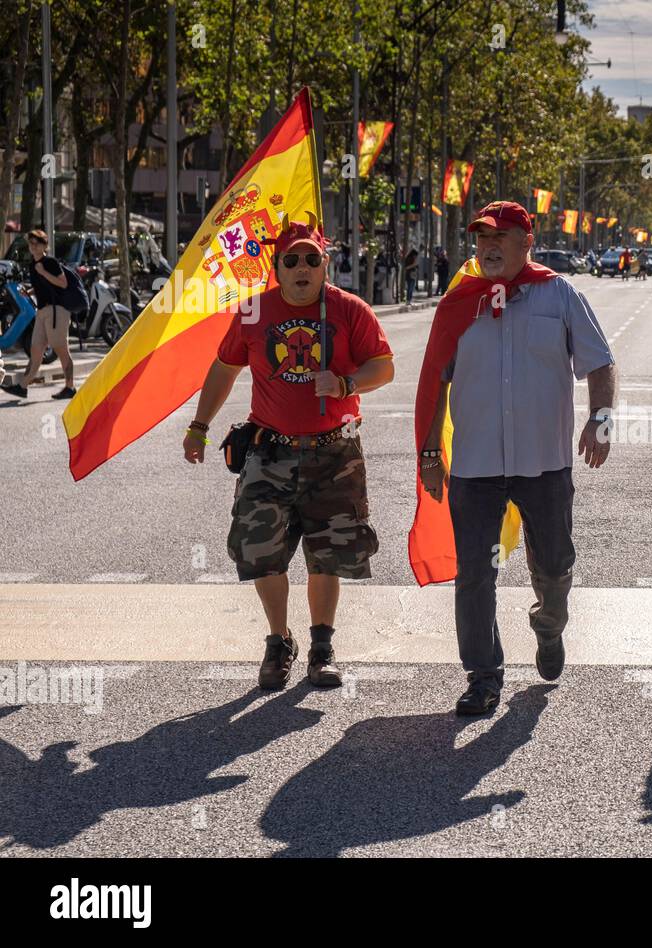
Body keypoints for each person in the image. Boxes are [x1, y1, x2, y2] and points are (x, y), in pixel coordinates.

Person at [417, 200, 616, 716]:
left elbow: (600, 362)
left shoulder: (561, 294)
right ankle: (484, 675)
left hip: (545, 462)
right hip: (476, 467)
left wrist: (601, 419)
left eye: (500, 237)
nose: (488, 246)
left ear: (527, 243)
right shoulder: (459, 303)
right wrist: (430, 451)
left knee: (553, 564)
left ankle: (549, 625)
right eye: (481, 237)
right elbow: (435, 379)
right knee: (476, 573)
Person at [183, 220, 395, 690]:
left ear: (325, 264)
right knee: (261, 551)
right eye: (291, 260)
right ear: (276, 267)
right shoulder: (254, 312)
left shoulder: (348, 310)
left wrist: (347, 384)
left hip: (334, 453)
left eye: (311, 259)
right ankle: (279, 641)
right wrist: (199, 426)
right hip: (269, 451)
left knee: (329, 554)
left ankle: (322, 648)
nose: (302, 268)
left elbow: (384, 366)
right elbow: (224, 369)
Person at [2, 229, 79, 401]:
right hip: (42, 311)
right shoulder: (33, 265)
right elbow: (42, 286)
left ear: (44, 245)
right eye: (30, 243)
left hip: (57, 311)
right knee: (35, 350)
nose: (32, 246)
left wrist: (43, 272)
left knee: (61, 349)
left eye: (36, 243)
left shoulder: (50, 262)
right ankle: (22, 386)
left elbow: (63, 283)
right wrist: (29, 291)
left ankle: (70, 387)